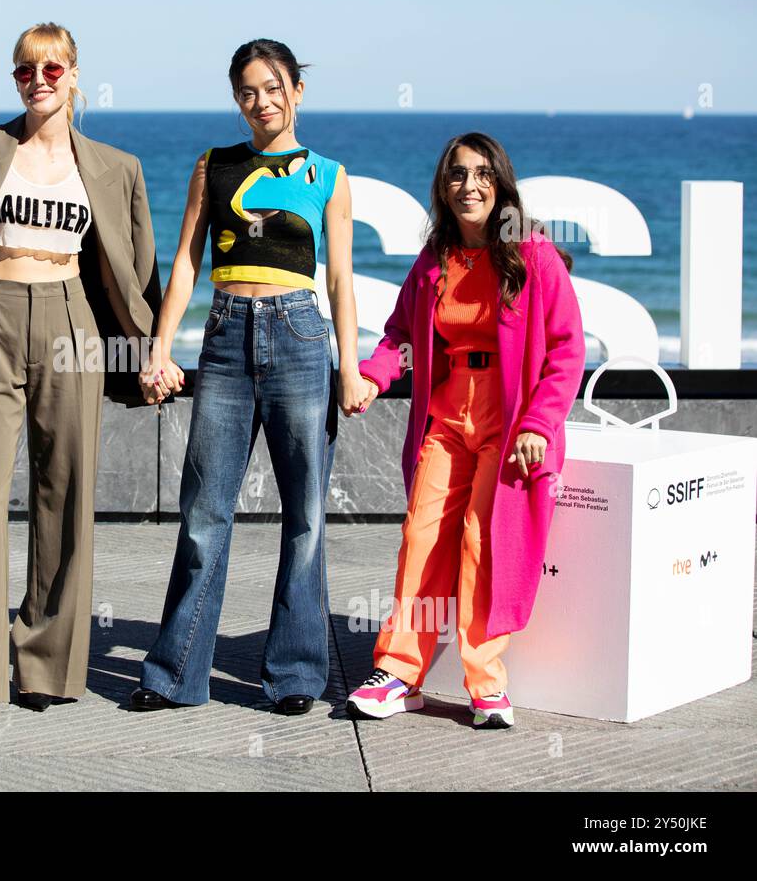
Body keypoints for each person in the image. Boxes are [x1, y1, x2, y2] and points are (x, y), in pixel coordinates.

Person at [0, 23, 163, 734]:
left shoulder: (115, 166)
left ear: (75, 74)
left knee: (65, 491)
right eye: (25, 70)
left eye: (52, 68)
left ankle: (44, 665)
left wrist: (151, 354)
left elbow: (131, 275)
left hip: (72, 320)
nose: (38, 79)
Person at [131, 39, 367, 716]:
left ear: (297, 89)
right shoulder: (216, 166)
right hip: (228, 336)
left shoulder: (329, 174)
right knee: (205, 513)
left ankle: (294, 675)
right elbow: (184, 263)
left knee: (306, 518)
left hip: (300, 337)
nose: (260, 102)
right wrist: (159, 349)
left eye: (272, 87)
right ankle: (175, 674)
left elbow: (342, 280)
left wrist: (351, 368)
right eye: (246, 91)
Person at [345, 132, 584, 729]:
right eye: (456, 175)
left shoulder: (532, 254)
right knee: (420, 540)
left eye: (481, 174)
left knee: (485, 543)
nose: (468, 185)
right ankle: (399, 673)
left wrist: (539, 423)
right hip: (448, 418)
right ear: (443, 187)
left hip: (508, 424)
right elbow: (400, 334)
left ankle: (487, 684)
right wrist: (375, 377)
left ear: (500, 185)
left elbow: (565, 350)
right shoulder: (435, 260)